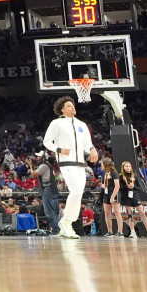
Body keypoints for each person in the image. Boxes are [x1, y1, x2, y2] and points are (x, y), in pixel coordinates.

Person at [42, 95, 100, 240]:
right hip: (66, 163)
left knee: (79, 193)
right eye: (69, 105)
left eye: (73, 105)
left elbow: (87, 143)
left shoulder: (81, 124)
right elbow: (47, 141)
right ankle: (67, 223)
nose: (72, 107)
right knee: (75, 191)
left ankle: (64, 221)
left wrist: (92, 149)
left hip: (80, 164)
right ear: (62, 109)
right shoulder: (56, 123)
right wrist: (59, 149)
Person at [117, 160, 147, 238]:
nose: (128, 168)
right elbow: (119, 188)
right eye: (126, 166)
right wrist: (126, 186)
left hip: (135, 196)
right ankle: (132, 232)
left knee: (142, 213)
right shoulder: (120, 176)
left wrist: (133, 187)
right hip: (126, 196)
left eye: (129, 166)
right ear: (123, 168)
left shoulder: (134, 176)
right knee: (129, 214)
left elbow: (141, 188)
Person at [35, 151, 61, 233]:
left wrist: (31, 166)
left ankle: (56, 229)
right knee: (53, 210)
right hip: (52, 189)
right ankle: (56, 228)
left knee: (49, 211)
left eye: (39, 157)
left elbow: (34, 174)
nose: (37, 158)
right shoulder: (49, 165)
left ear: (43, 157)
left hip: (48, 188)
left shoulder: (44, 165)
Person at [98, 158, 121, 238]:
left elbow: (117, 186)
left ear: (106, 164)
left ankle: (120, 232)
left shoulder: (114, 173)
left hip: (113, 193)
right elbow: (106, 184)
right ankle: (110, 231)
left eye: (102, 164)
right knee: (107, 213)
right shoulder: (106, 173)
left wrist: (113, 196)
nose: (101, 166)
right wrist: (103, 186)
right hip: (106, 193)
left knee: (117, 212)